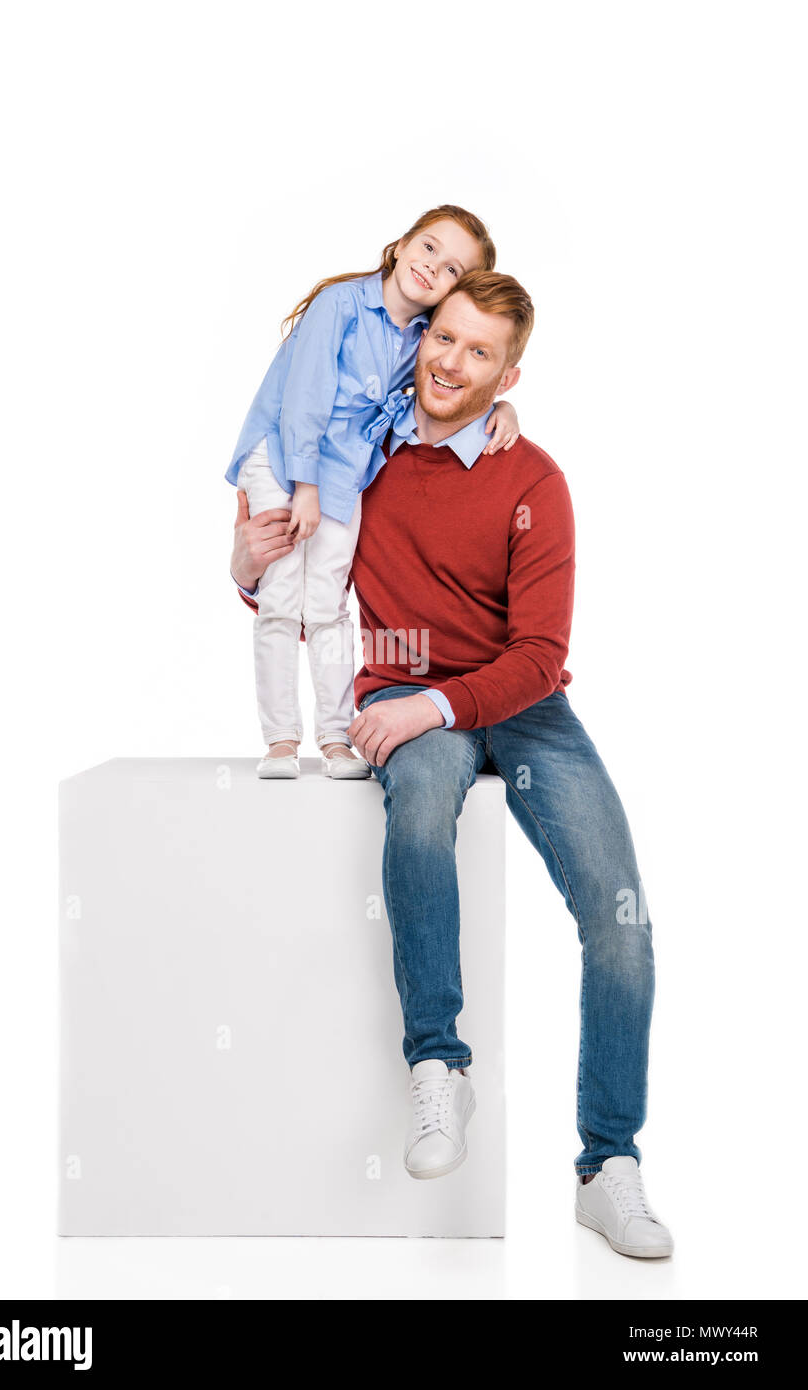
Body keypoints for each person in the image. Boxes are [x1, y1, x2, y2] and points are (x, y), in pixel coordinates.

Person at [230, 269, 674, 1260]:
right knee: (422, 806)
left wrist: (442, 699)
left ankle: (608, 1166)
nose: (452, 362)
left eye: (481, 353)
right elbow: (292, 579)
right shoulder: (364, 454)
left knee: (621, 918)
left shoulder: (533, 478)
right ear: (422, 335)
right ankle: (440, 1068)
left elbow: (540, 655)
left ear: (510, 371)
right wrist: (244, 563)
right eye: (445, 338)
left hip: (521, 704)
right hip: (401, 694)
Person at [225, 206, 519, 780]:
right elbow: (304, 397)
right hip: (285, 453)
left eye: (453, 268)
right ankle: (281, 740)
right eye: (430, 247)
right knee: (283, 593)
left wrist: (501, 405)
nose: (434, 267)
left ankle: (335, 738)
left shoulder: (420, 339)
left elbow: (438, 399)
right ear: (402, 243)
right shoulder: (342, 306)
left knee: (330, 602)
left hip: (342, 470)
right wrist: (304, 487)